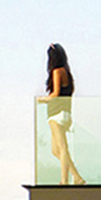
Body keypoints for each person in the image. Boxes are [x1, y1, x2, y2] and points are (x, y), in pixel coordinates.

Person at [37, 43, 82, 185]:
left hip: (56, 114)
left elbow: (55, 93)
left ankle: (64, 180)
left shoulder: (57, 71)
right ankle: (77, 176)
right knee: (55, 150)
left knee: (62, 148)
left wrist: (43, 100)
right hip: (65, 113)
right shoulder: (67, 73)